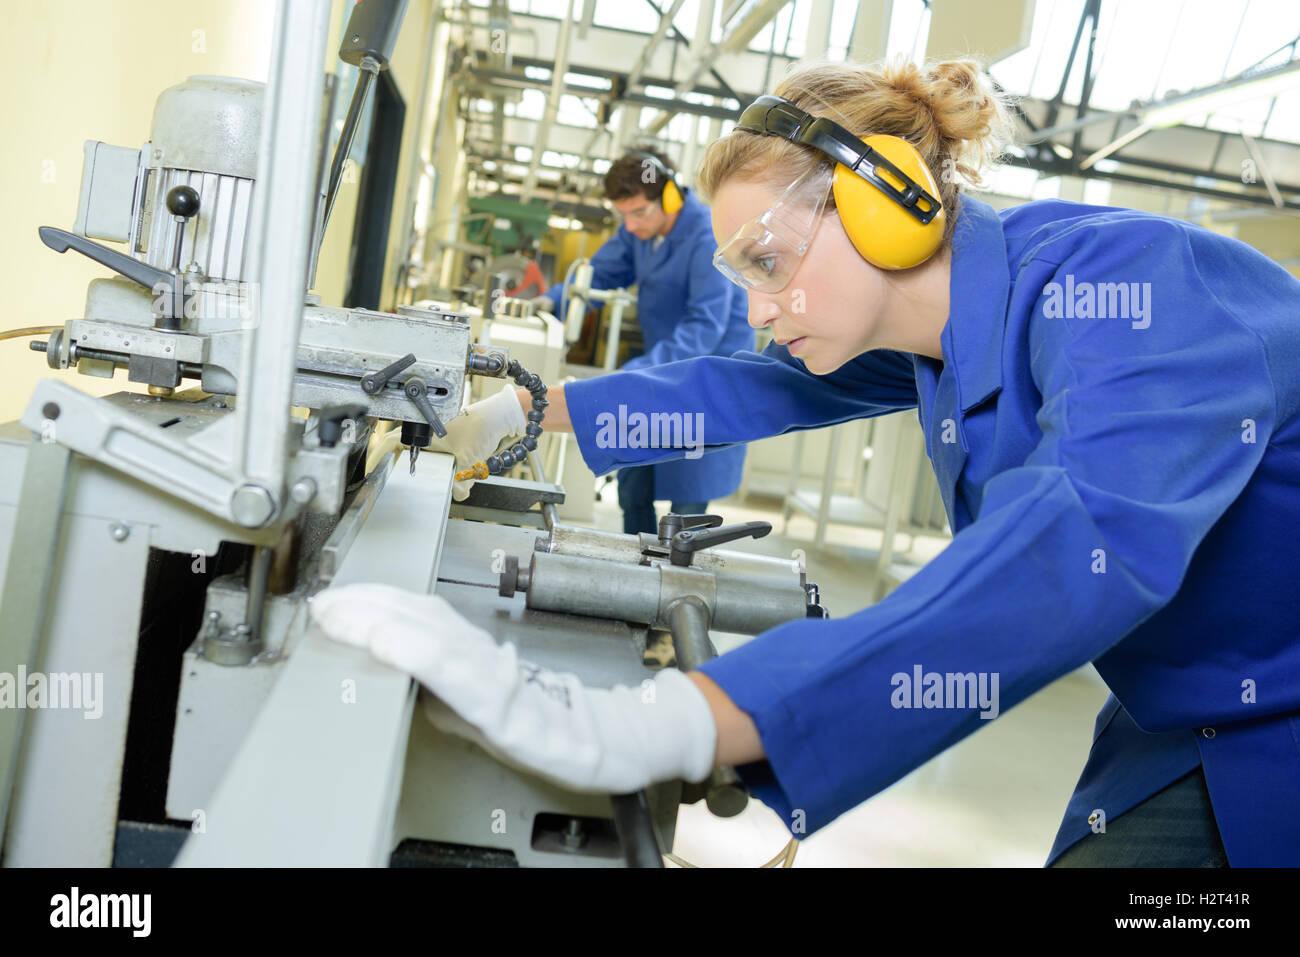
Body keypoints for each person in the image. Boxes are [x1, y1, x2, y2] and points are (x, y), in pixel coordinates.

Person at [311, 58, 1300, 867]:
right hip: (1179, 711)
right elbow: (749, 387)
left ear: (887, 203)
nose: (754, 305)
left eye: (768, 261)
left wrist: (676, 722)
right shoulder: (948, 328)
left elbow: (1073, 543)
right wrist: (531, 409)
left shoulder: (1129, 291)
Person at [530, 148, 754, 533]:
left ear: (669, 196)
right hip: (663, 368)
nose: (630, 225)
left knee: (686, 498)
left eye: (638, 213)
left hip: (707, 379)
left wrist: (634, 376)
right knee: (634, 482)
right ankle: (637, 569)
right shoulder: (638, 233)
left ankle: (677, 581)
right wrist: (551, 300)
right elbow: (598, 273)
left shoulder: (707, 236)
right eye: (623, 215)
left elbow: (704, 327)